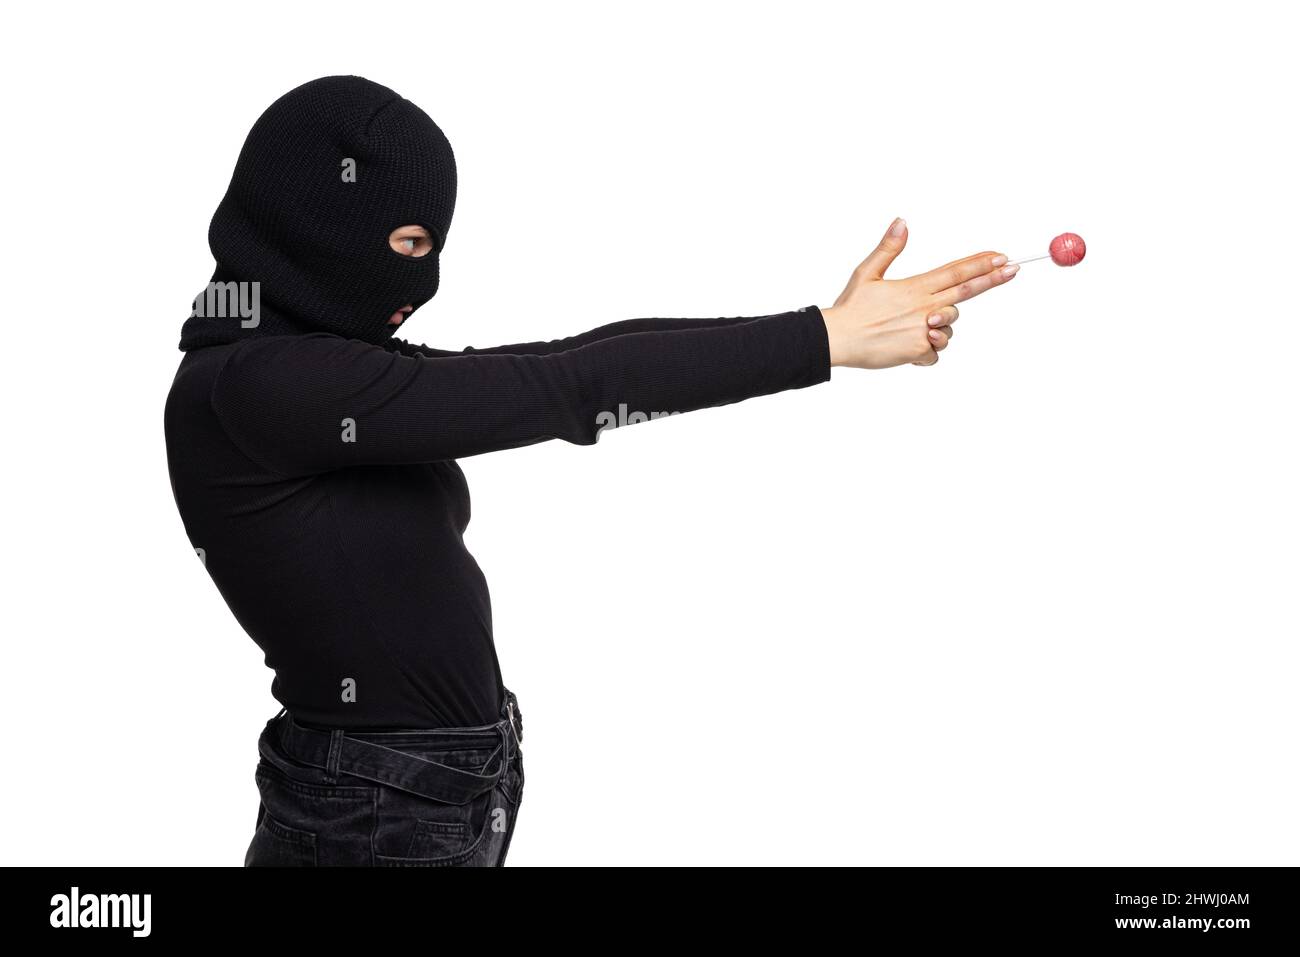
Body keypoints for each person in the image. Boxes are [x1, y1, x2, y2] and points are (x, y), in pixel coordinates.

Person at [164, 75, 1018, 867]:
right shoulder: (258, 385)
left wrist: (821, 326)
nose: (422, 277)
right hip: (372, 808)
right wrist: (822, 343)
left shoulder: (294, 365)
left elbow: (568, 358)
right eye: (407, 240)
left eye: (434, 246)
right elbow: (572, 388)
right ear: (319, 224)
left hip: (416, 792)